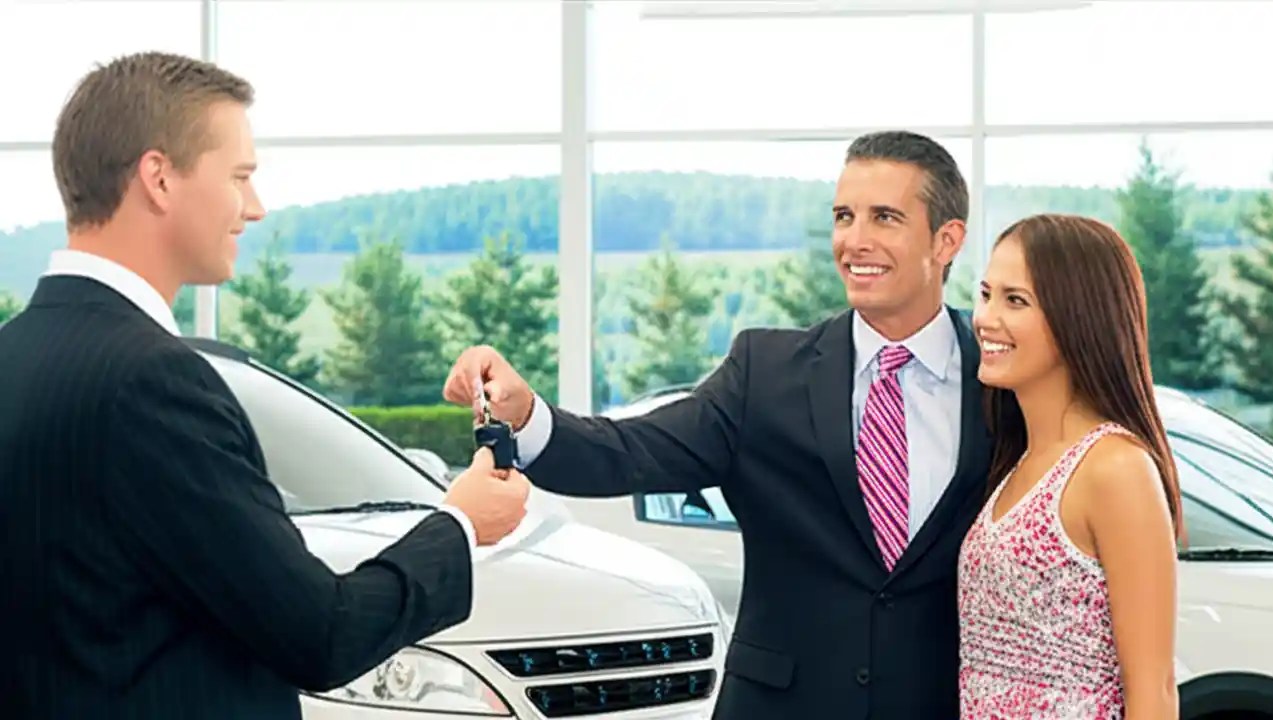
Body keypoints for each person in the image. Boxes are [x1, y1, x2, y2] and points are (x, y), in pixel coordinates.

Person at [0, 51, 530, 719]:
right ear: (158, 178)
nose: (254, 207)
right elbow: (321, 633)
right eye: (240, 177)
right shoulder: (154, 382)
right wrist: (462, 526)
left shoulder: (14, 359)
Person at [444, 130, 995, 718]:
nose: (853, 240)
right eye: (843, 215)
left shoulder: (1000, 384)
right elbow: (632, 450)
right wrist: (527, 415)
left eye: (884, 217)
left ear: (946, 240)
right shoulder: (764, 371)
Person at [959, 213, 1181, 718]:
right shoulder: (1018, 463)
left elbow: (1155, 690)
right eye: (987, 293)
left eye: (1015, 300)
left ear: (1077, 317)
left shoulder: (1114, 468)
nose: (986, 318)